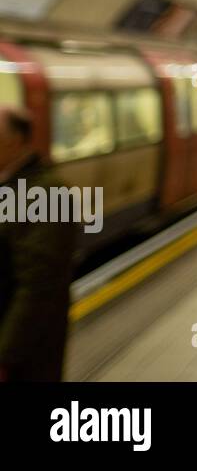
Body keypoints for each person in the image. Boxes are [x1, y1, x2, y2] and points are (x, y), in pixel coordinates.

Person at [0, 105, 76, 382]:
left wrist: (6, 358)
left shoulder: (48, 194)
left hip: (23, 362)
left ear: (16, 140)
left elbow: (38, 287)